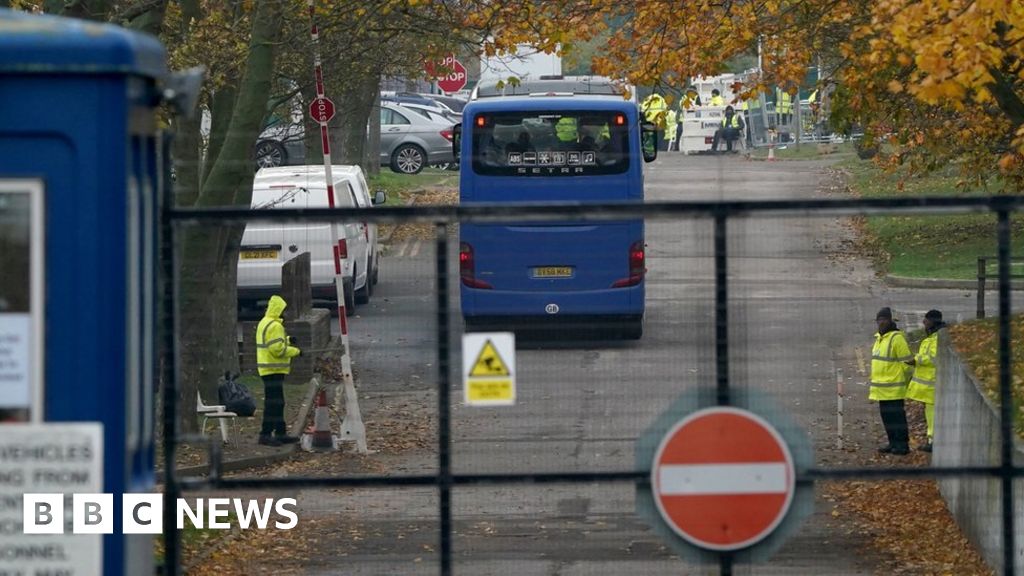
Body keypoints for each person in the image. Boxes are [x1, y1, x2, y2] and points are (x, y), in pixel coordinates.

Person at [255, 295, 302, 446]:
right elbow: (277, 350)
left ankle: (280, 433)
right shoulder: (276, 326)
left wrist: (287, 340)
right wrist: (296, 351)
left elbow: (272, 342)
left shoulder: (265, 322)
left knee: (277, 402)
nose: (285, 313)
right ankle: (266, 434)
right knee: (274, 403)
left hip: (267, 369)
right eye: (283, 310)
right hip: (273, 369)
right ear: (278, 310)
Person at [870, 307, 912, 455]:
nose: (881, 323)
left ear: (890, 320)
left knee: (897, 419)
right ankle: (893, 443)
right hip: (882, 389)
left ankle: (902, 445)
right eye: (879, 320)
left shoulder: (896, 338)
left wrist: (902, 380)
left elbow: (907, 363)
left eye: (884, 320)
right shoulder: (879, 339)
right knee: (887, 418)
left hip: (894, 388)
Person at [905, 309, 945, 452]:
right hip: (929, 386)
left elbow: (933, 358)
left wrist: (915, 360)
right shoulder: (933, 337)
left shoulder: (937, 339)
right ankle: (931, 440)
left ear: (933, 321)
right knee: (930, 414)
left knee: (932, 415)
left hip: (932, 385)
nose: (923, 322)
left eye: (926, 320)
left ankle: (933, 441)